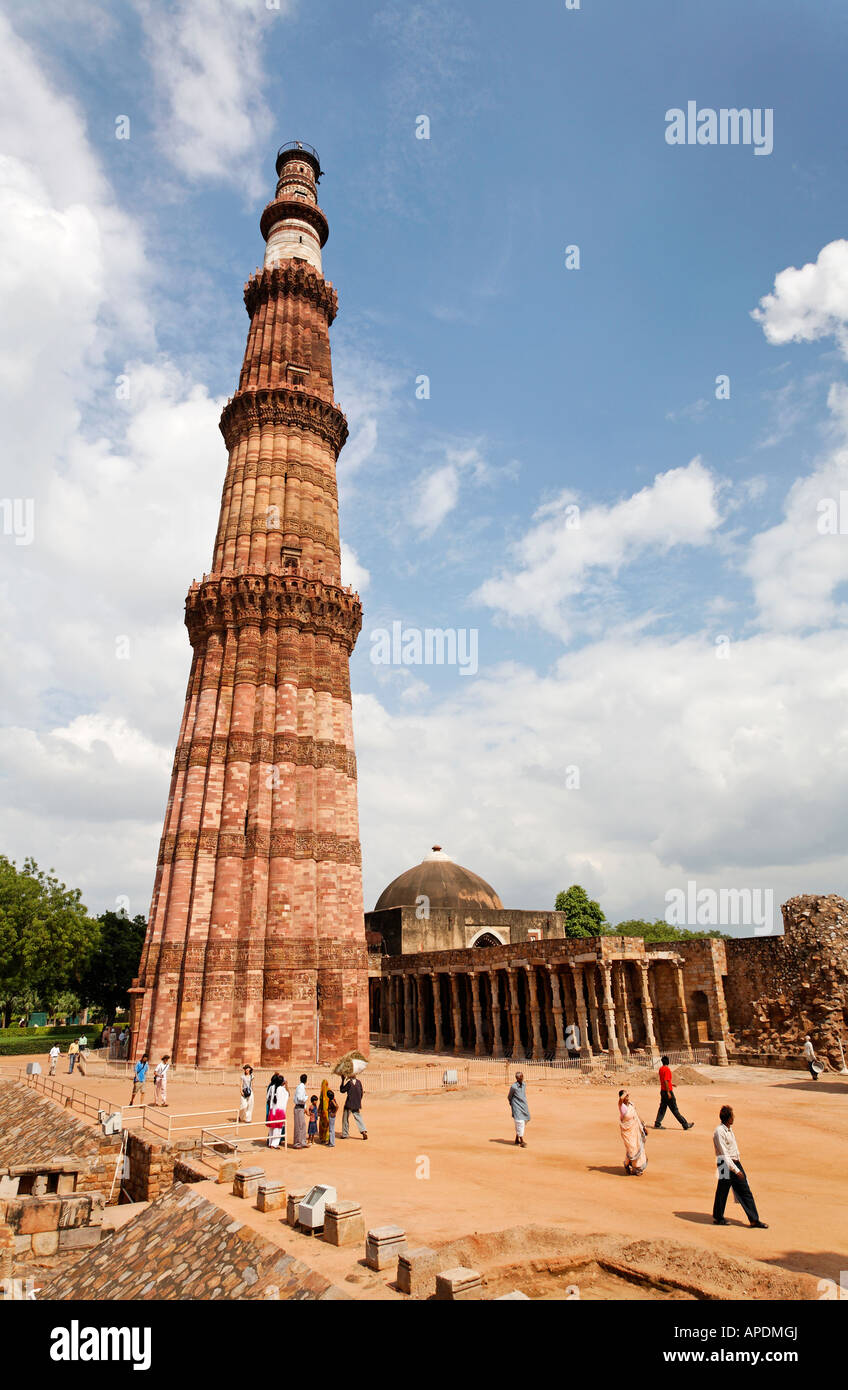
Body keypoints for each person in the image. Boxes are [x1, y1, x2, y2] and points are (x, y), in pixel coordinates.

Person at [712, 1104, 768, 1228]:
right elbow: (724, 1154)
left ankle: (753, 1219)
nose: (734, 1118)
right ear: (728, 1118)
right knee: (723, 1190)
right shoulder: (719, 1132)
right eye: (732, 1116)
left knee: (744, 1190)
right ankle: (719, 1217)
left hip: (733, 1162)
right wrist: (736, 1170)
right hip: (724, 1163)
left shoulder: (728, 1129)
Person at [654, 1055, 694, 1131]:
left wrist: (671, 1084)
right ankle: (685, 1124)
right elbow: (666, 1080)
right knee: (675, 1109)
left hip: (662, 1091)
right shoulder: (667, 1070)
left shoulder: (661, 1069)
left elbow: (663, 1081)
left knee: (662, 1108)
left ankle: (657, 1123)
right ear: (668, 1062)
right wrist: (668, 1092)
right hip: (667, 1091)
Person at [619, 1088, 648, 1175]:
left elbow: (636, 1115)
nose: (628, 1097)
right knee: (631, 1149)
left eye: (628, 1096)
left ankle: (637, 1168)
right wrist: (623, 1095)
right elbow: (620, 1101)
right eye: (626, 1096)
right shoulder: (622, 1106)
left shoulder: (631, 1105)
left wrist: (643, 1125)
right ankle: (628, 1164)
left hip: (635, 1129)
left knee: (637, 1147)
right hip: (627, 1131)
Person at [339, 1073, 367, 1139]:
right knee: (358, 1117)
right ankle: (363, 1130)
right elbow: (361, 1092)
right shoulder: (359, 1082)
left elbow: (342, 1090)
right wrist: (358, 1101)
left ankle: (345, 1134)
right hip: (356, 1103)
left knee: (345, 1118)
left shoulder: (349, 1083)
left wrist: (342, 1080)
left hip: (349, 1103)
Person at [507, 1070, 531, 1148]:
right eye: (520, 1077)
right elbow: (509, 1096)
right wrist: (512, 1104)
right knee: (519, 1122)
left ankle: (517, 1137)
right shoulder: (513, 1087)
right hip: (516, 1106)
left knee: (525, 1120)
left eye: (522, 1076)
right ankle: (522, 1141)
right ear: (517, 1078)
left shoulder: (524, 1085)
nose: (522, 1078)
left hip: (523, 1106)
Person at [265, 1074, 288, 1148]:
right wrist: (286, 1086)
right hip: (280, 1111)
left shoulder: (272, 1087)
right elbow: (287, 1095)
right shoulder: (282, 1089)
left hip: (272, 1110)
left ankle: (270, 1143)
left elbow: (267, 1097)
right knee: (278, 1128)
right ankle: (274, 1144)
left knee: (272, 1127)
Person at [292, 1074, 308, 1149]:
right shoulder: (300, 1088)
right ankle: (297, 1143)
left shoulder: (302, 1087)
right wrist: (306, 1097)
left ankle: (303, 1141)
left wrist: (305, 1107)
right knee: (298, 1126)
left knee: (302, 1125)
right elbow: (300, 1098)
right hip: (298, 1108)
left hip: (301, 1108)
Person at [318, 1079, 331, 1145]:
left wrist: (319, 1110)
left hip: (323, 1112)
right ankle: (326, 1138)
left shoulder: (322, 1092)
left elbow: (320, 1102)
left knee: (323, 1125)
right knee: (327, 1125)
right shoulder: (329, 1090)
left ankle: (322, 1138)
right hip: (327, 1111)